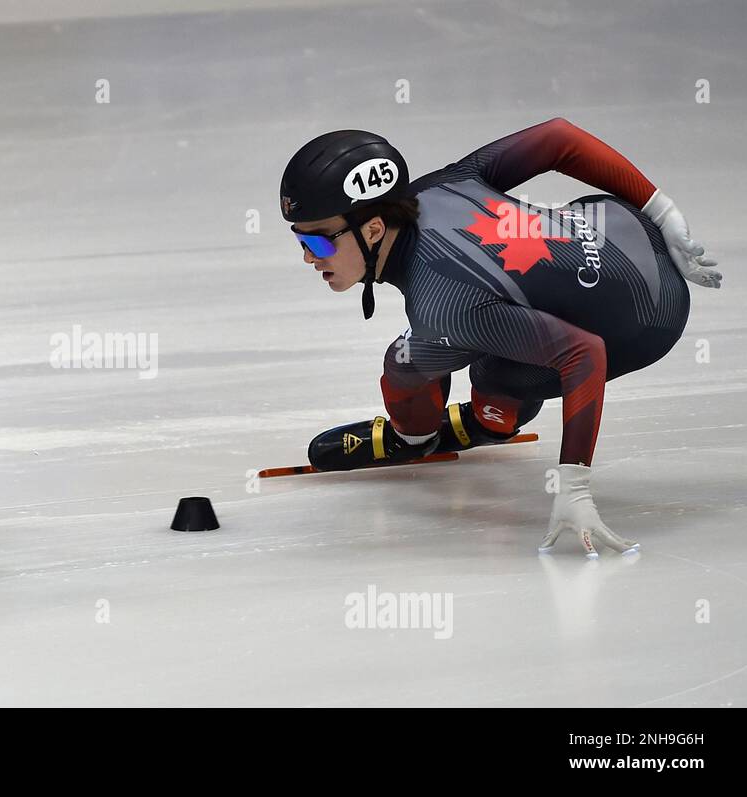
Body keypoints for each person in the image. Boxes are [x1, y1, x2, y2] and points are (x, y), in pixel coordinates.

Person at [280, 118, 721, 558]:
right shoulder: (441, 186)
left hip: (648, 324)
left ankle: (450, 429)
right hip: (628, 229)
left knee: (427, 364)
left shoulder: (444, 307)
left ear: (374, 230)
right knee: (486, 319)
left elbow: (584, 353)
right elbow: (558, 138)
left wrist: (574, 485)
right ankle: (480, 404)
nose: (307, 258)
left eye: (317, 244)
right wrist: (663, 212)